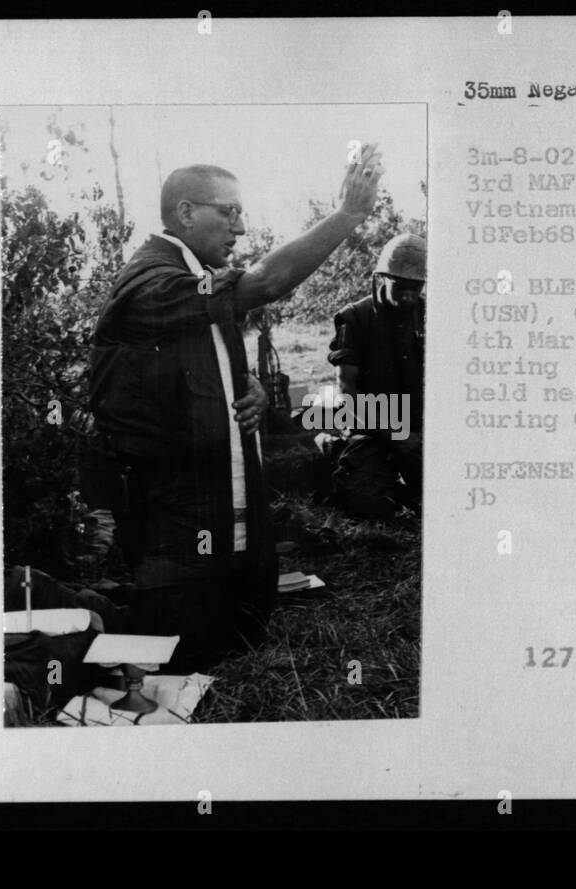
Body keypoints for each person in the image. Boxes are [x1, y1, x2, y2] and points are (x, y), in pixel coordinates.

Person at [85, 145, 386, 670]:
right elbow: (266, 283)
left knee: (239, 639)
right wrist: (347, 216)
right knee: (180, 655)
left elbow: (202, 360)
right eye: (229, 212)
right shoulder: (152, 281)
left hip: (219, 505)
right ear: (185, 213)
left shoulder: (189, 275)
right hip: (175, 513)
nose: (241, 228)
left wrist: (251, 388)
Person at [323, 233, 426, 520]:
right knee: (367, 504)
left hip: (418, 430)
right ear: (382, 279)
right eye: (400, 288)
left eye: (415, 288)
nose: (408, 296)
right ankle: (338, 450)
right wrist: (396, 434)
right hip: (372, 428)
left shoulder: (432, 315)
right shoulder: (354, 318)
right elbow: (347, 390)